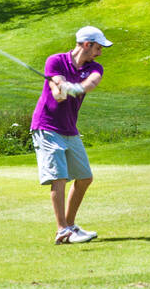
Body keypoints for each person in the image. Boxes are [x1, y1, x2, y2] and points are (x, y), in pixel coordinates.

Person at [30, 25, 112, 244]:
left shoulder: (95, 67)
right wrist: (62, 88)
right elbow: (56, 94)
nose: (100, 52)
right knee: (59, 176)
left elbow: (91, 82)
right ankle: (62, 230)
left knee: (85, 177)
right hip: (47, 126)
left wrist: (77, 88)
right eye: (98, 47)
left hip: (69, 128)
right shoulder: (55, 61)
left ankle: (70, 225)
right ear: (87, 44)